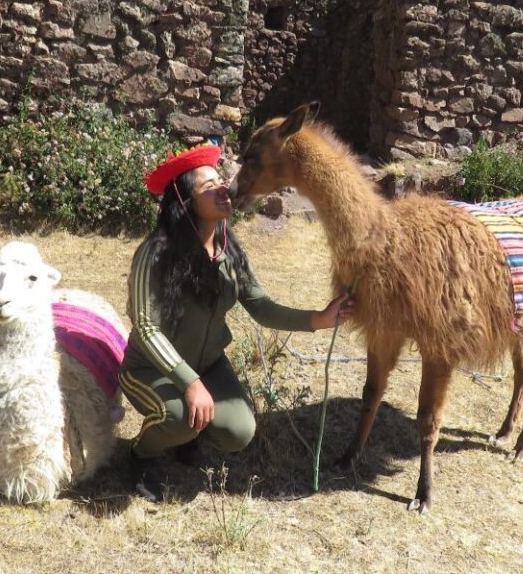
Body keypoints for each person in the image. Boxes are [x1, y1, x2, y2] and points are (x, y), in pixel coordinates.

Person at [120, 142, 353, 502]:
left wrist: (320, 319)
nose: (222, 188)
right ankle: (142, 453)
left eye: (219, 180)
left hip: (208, 365)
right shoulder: (155, 253)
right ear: (185, 202)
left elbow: (260, 306)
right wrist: (190, 382)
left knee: (239, 431)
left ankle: (187, 435)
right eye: (207, 185)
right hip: (149, 369)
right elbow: (147, 329)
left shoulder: (230, 250)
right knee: (179, 417)